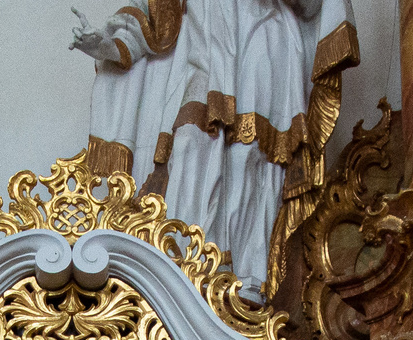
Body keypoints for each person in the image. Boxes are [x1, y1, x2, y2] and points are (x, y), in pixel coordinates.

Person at [70, 0, 359, 300]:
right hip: (204, 44)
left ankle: (247, 277)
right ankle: (187, 260)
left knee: (251, 156)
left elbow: (314, 6)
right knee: (189, 143)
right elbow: (154, 16)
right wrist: (108, 45)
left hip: (264, 37)